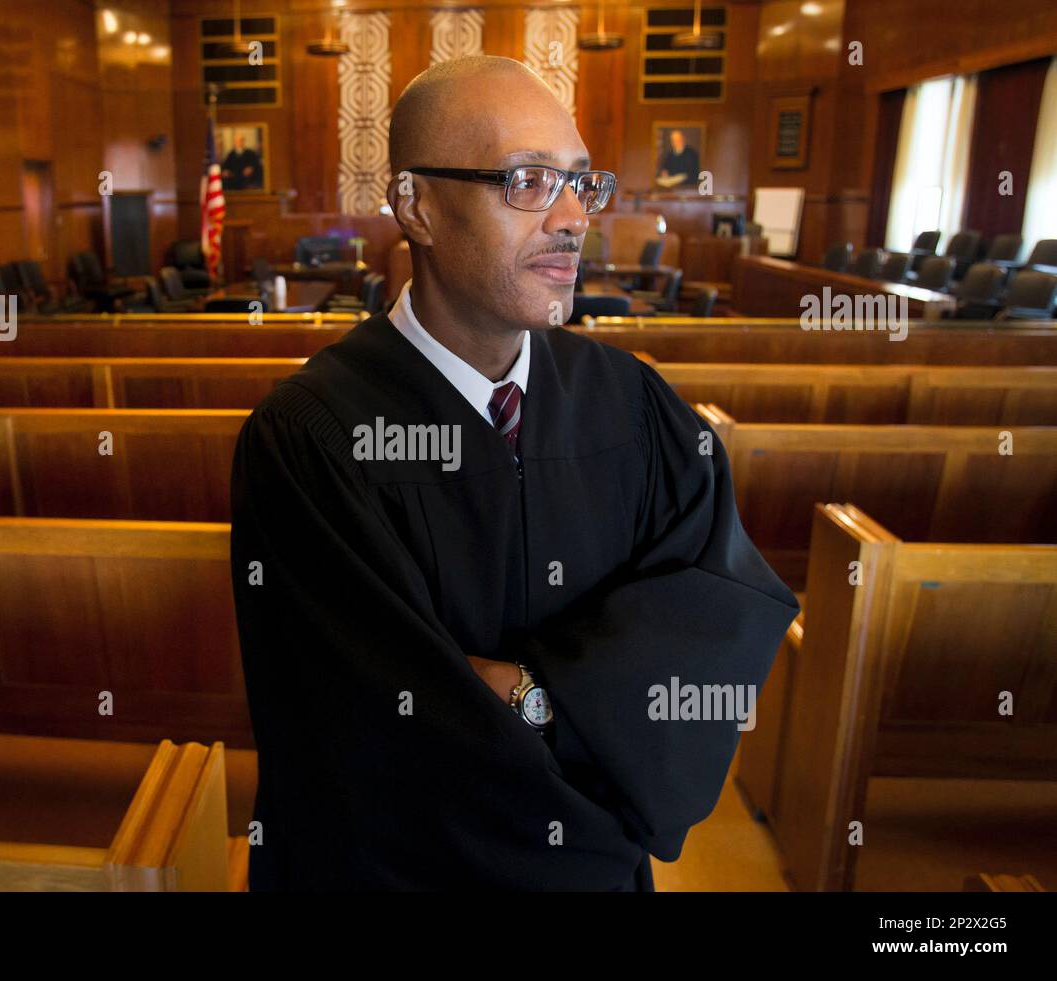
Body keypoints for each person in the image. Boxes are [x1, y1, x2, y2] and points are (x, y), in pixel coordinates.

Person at [230, 55, 797, 890]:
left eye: (581, 181)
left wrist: (534, 693)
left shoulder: (630, 404)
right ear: (417, 205)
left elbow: (716, 623)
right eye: (529, 181)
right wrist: (599, 723)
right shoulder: (312, 437)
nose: (573, 218)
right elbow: (373, 734)